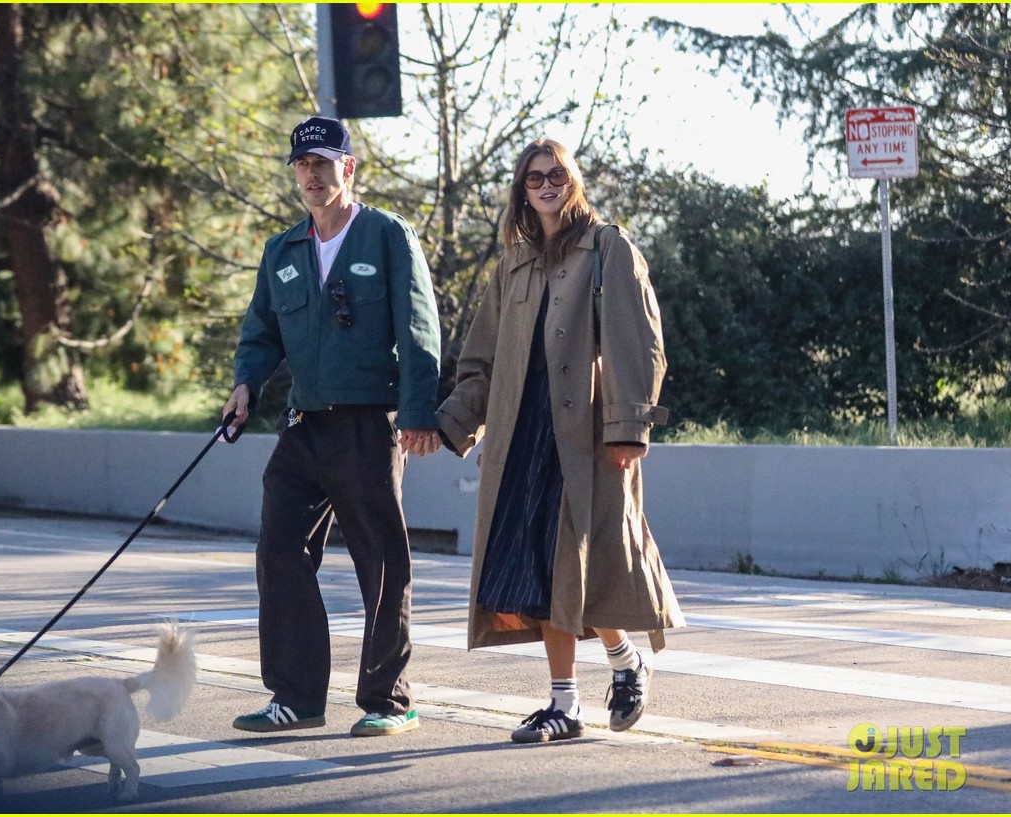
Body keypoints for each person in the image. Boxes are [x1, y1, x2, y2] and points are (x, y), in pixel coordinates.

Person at [406, 138, 684, 743]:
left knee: (582, 567)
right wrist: (448, 422)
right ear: (521, 190)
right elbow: (480, 361)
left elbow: (640, 341)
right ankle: (570, 701)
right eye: (535, 178)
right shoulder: (514, 262)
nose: (547, 184)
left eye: (556, 173)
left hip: (584, 436)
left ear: (573, 179)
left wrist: (628, 428)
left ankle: (621, 663)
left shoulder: (608, 246)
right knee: (537, 573)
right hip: (519, 439)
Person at [223, 116, 443, 738]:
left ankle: (388, 701)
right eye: (302, 166)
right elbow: (260, 334)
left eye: (323, 163)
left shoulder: (387, 236)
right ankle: (296, 696)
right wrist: (245, 384)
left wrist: (420, 413)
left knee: (381, 561)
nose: (312, 175)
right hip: (304, 424)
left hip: (369, 423)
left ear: (349, 168)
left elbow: (419, 333)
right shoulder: (283, 250)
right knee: (278, 551)